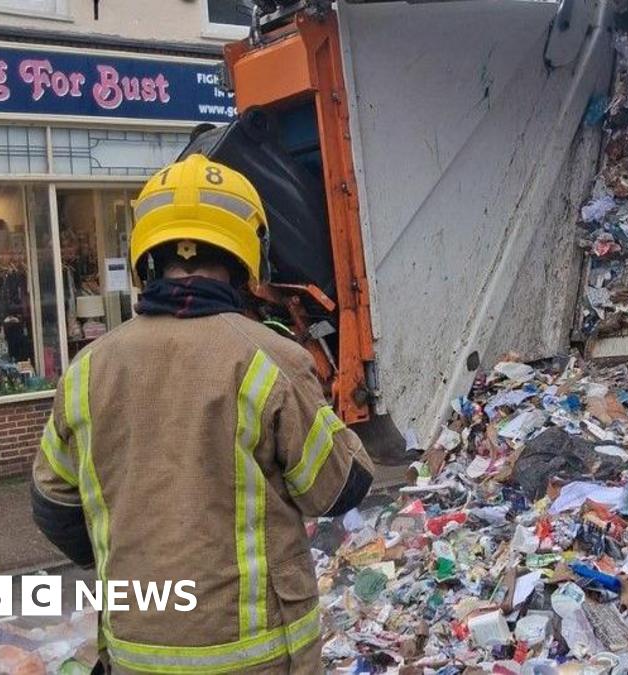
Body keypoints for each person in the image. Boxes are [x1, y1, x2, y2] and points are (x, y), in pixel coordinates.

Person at [30, 154, 374, 674]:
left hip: (134, 654)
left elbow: (53, 505)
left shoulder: (87, 370)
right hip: (257, 657)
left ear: (147, 254)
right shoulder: (270, 360)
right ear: (247, 255)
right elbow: (340, 487)